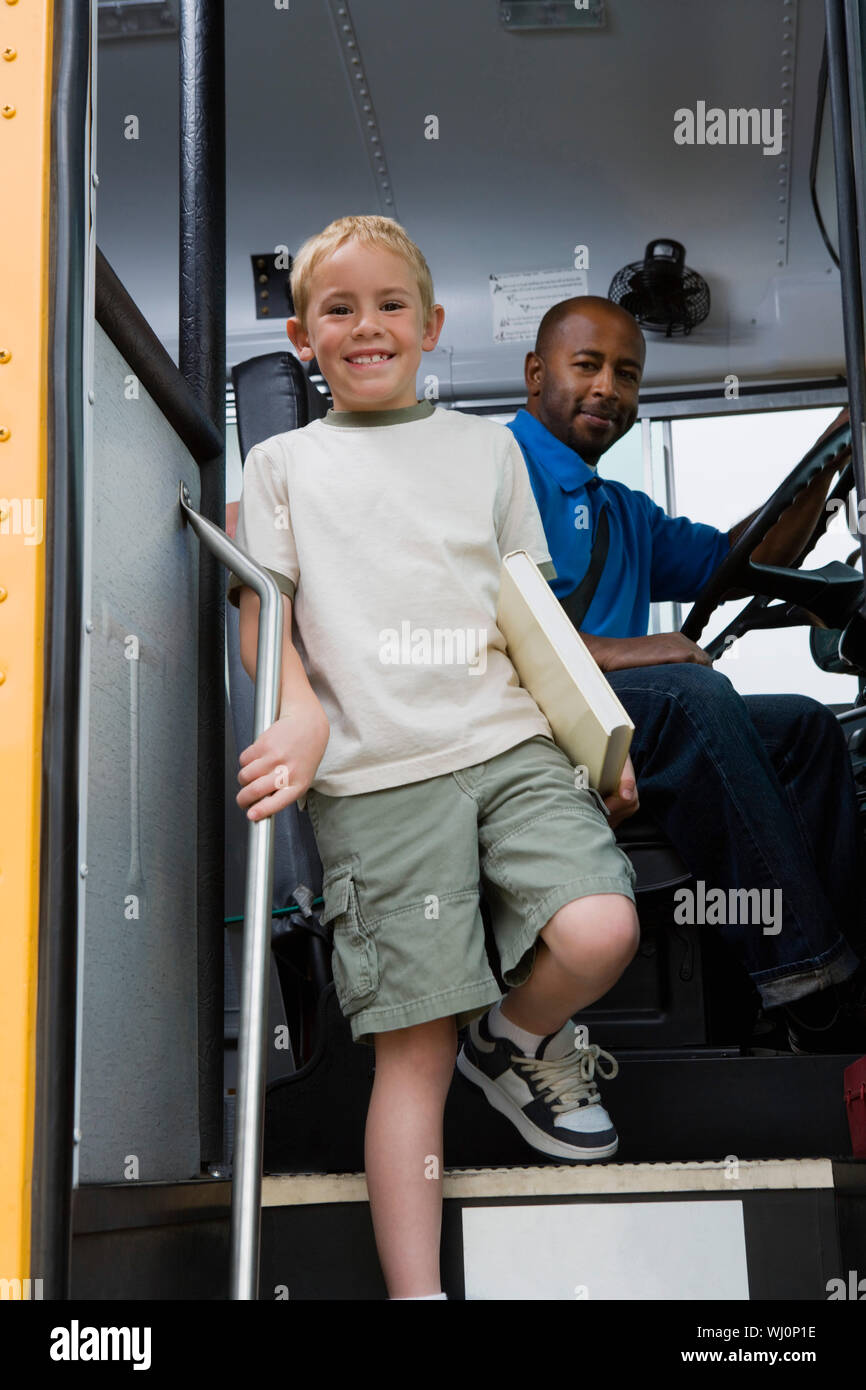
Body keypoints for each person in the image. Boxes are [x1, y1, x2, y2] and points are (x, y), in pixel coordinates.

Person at [225, 218, 639, 1301]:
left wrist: (591, 729)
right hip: (374, 783)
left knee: (601, 925)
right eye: (338, 310)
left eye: (389, 306)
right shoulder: (278, 465)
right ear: (302, 337)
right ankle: (418, 1297)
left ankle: (509, 1040)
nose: (367, 326)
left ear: (431, 325)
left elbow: (530, 614)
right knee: (410, 1053)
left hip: (508, 743)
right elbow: (260, 617)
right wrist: (301, 716)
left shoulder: (485, 449)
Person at [508, 294, 866, 1054]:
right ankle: (809, 982)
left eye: (628, 374)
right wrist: (619, 651)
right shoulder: (491, 471)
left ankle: (835, 966)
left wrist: (839, 441)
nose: (609, 386)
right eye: (588, 365)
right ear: (536, 373)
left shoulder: (622, 511)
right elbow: (485, 625)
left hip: (621, 721)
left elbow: (749, 556)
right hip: (528, 726)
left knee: (803, 728)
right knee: (686, 692)